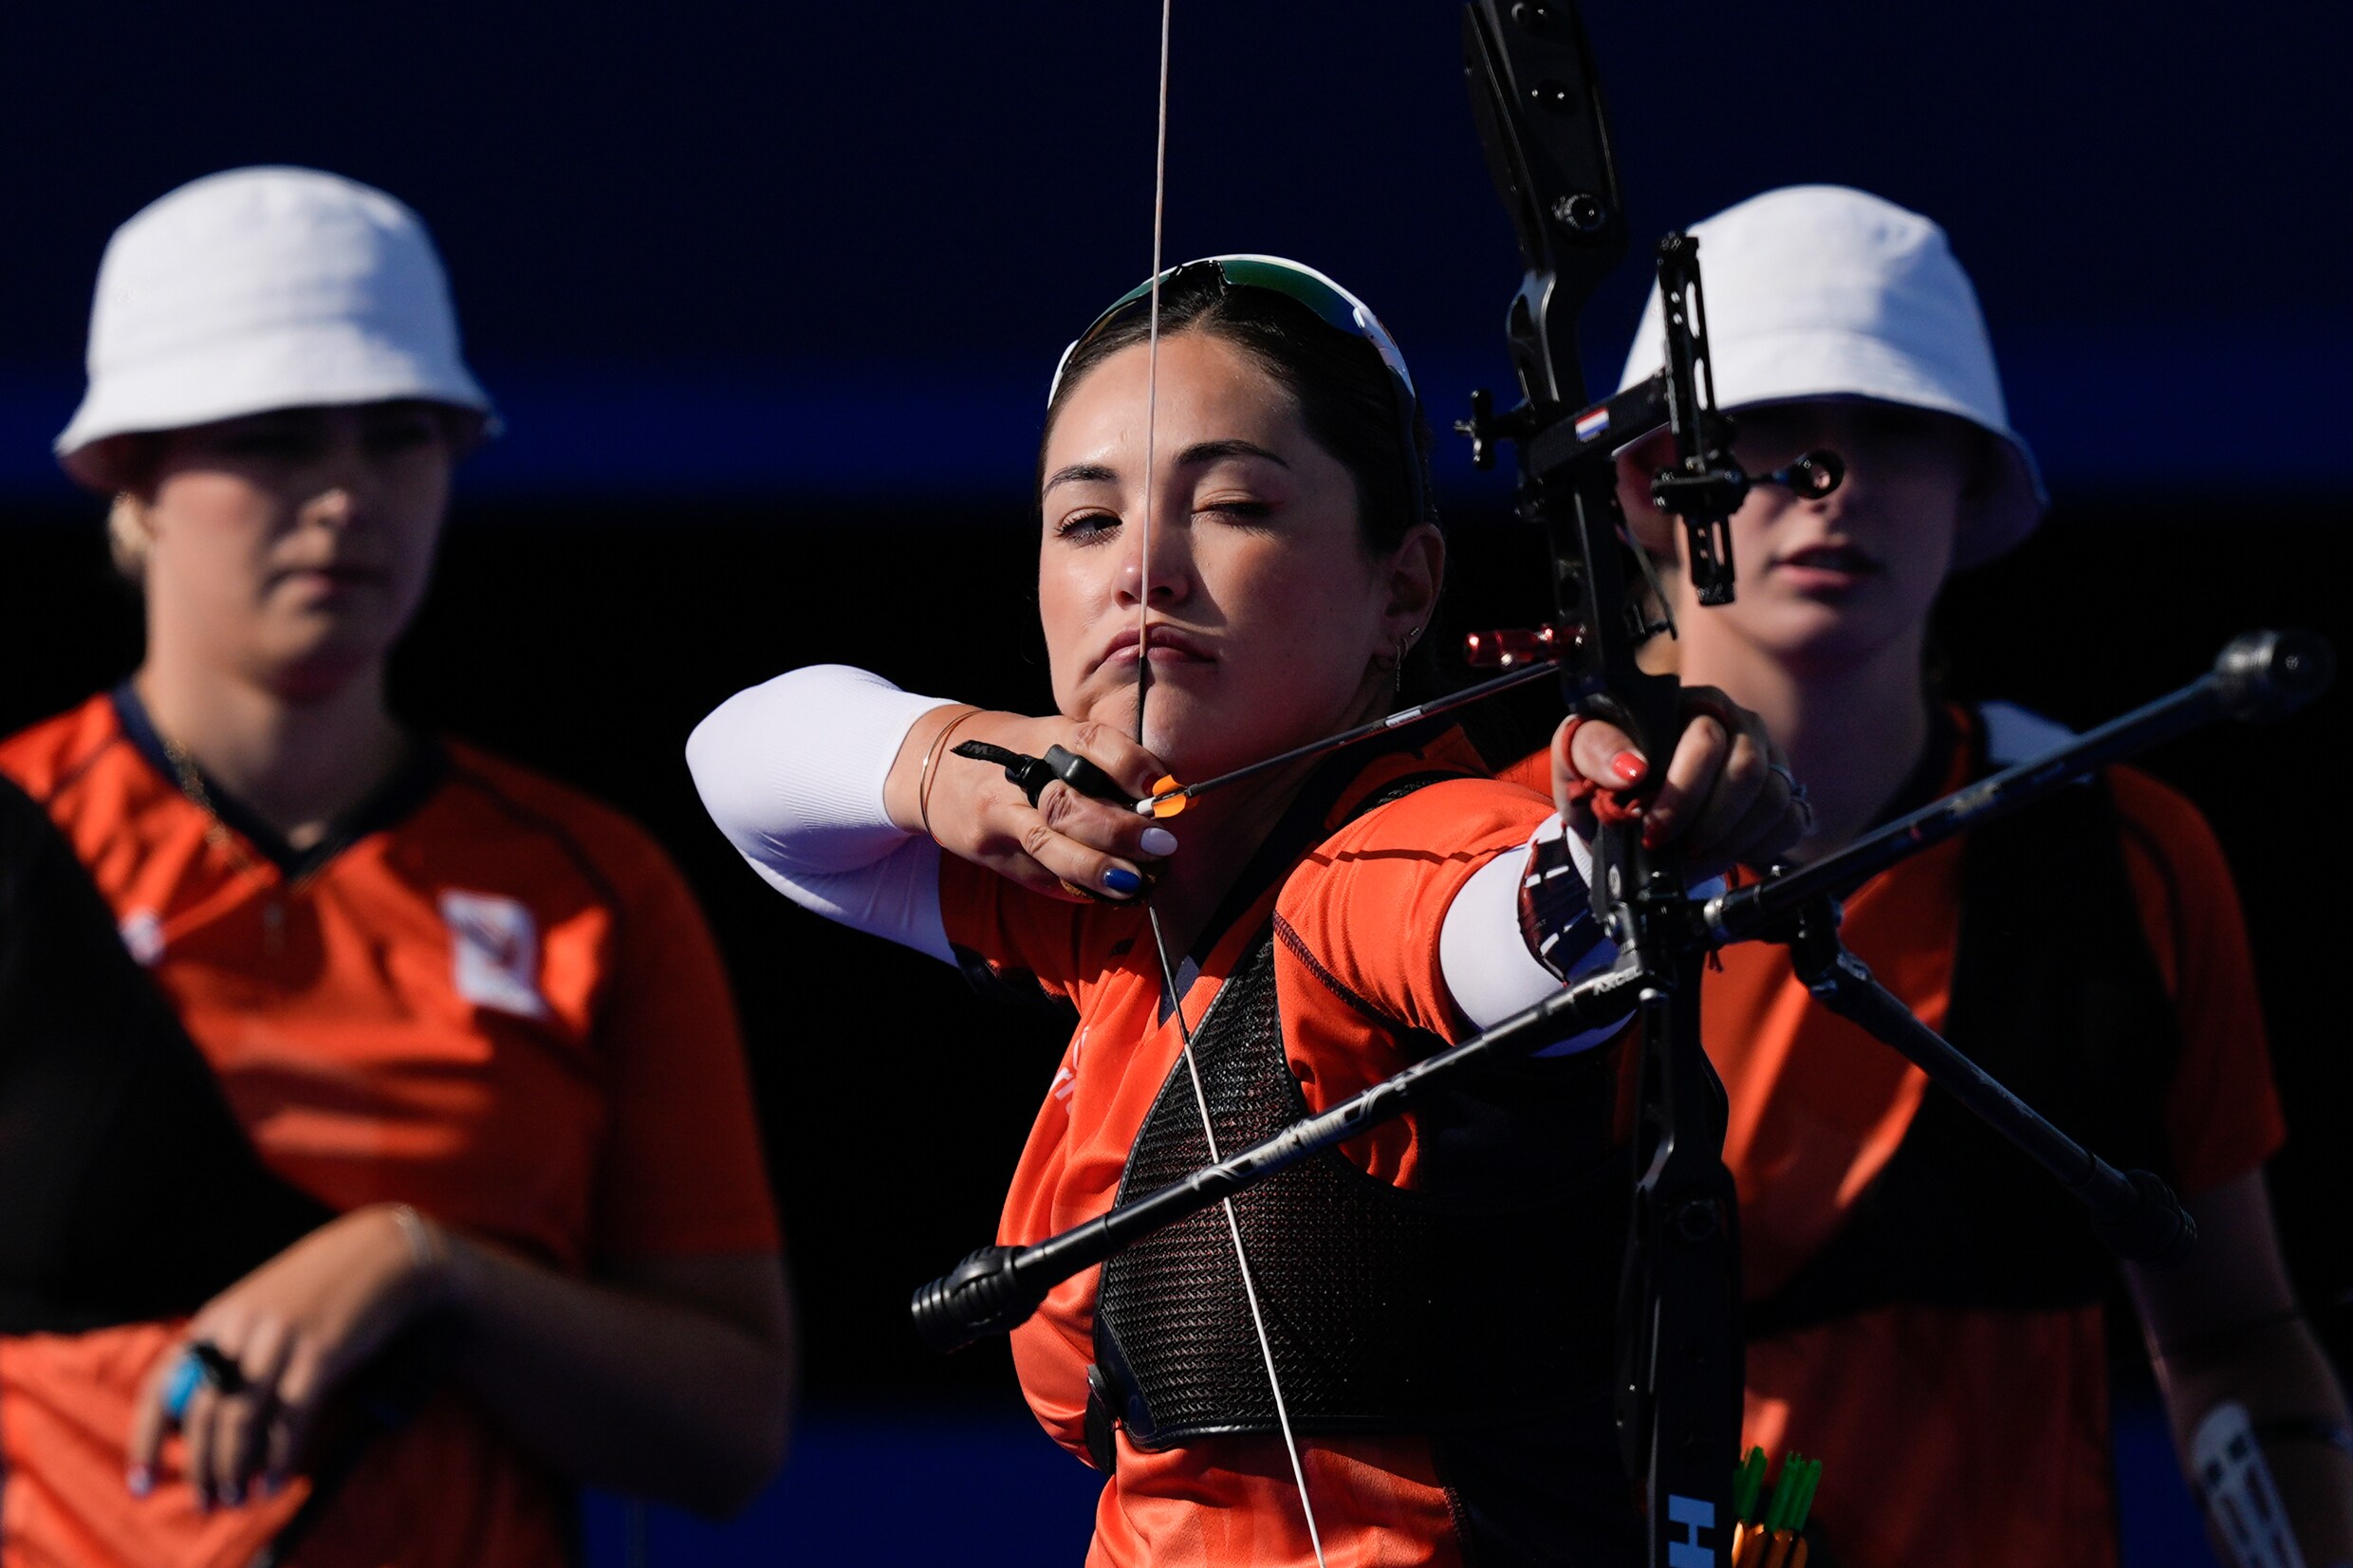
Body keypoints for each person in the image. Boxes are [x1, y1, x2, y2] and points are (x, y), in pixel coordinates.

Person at [689, 254, 1806, 1566]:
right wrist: (956, 761)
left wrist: (1610, 863)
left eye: (1231, 505)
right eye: (1087, 521)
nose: (1143, 569)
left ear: (1404, 586)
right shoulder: (1114, 900)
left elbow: (1483, 925)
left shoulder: (1389, 862)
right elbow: (740, 763)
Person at [0, 167, 795, 1568]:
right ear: (130, 468)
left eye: (400, 437)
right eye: (279, 437)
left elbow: (729, 1428)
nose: (348, 495)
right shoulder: (20, 832)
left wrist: (425, 1266)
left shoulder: (593, 886)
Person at [1588, 184, 2353, 1567]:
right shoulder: (1498, 856)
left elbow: (2238, 1335)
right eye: (1768, 435)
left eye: (1896, 430)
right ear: (1650, 482)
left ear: (1973, 487)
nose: (1840, 482)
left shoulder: (2127, 852)